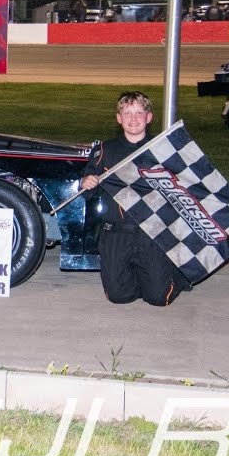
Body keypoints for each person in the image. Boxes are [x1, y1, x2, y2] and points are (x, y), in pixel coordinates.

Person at [80, 91, 192, 307]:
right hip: (116, 232)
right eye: (127, 113)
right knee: (118, 296)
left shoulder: (163, 149)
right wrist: (86, 182)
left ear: (149, 117)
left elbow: (184, 189)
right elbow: (87, 192)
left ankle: (178, 274)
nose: (133, 118)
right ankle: (142, 276)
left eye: (139, 112)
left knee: (160, 298)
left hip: (153, 232)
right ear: (118, 118)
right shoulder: (105, 150)